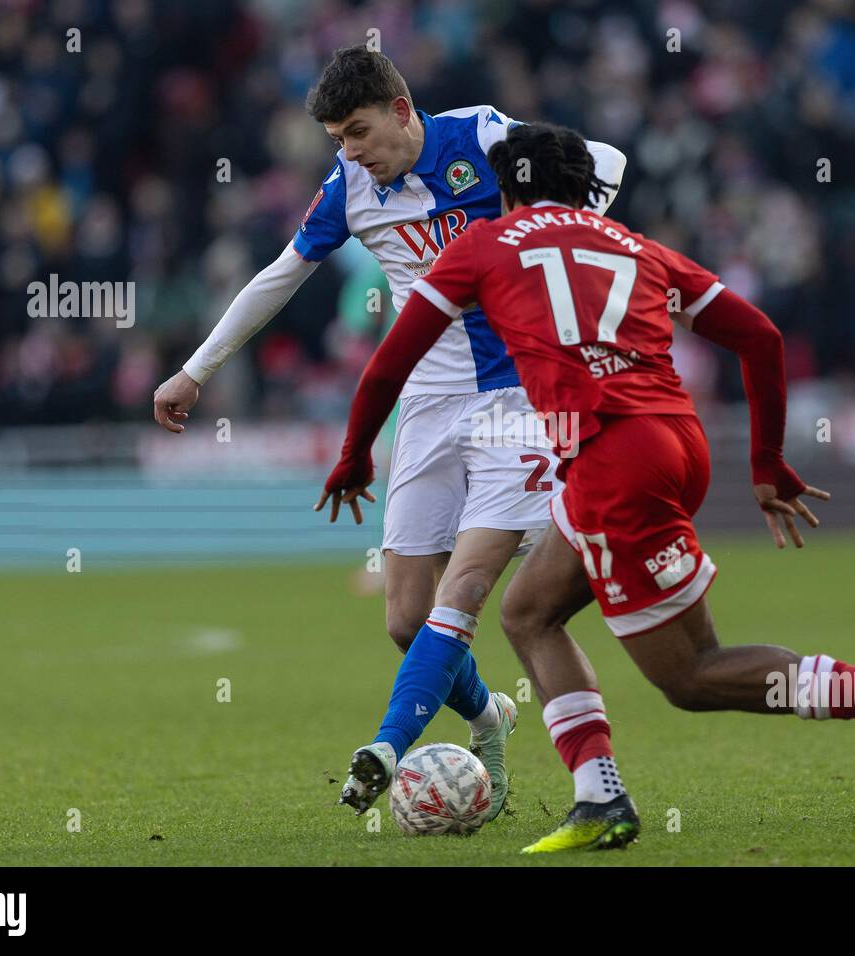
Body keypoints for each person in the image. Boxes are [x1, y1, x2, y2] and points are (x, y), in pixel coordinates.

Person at [319, 122, 855, 853]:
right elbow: (761, 337)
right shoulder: (632, 244)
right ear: (581, 190)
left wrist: (353, 456)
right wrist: (766, 462)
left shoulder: (484, 244)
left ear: (506, 192)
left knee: (691, 675)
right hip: (676, 442)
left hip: (611, 460)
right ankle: (599, 797)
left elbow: (389, 364)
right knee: (529, 610)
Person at [152, 46, 626, 819]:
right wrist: (195, 371)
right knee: (407, 617)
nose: (350, 152)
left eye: (359, 132)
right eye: (338, 138)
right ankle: (488, 718)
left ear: (404, 111)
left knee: (468, 591)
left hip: (516, 400)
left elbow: (602, 157)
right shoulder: (350, 189)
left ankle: (393, 746)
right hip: (428, 403)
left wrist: (564, 238)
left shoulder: (481, 136)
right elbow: (281, 272)